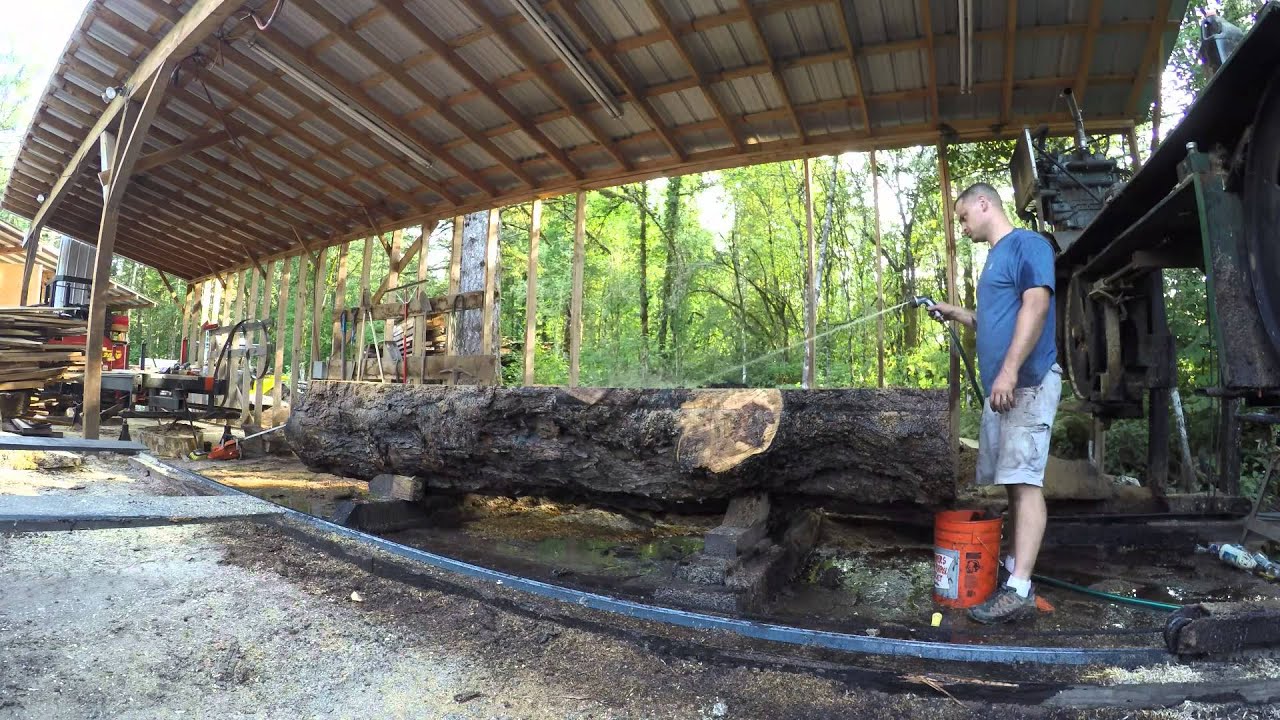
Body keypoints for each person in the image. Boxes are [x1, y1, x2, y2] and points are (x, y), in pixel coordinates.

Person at [929, 182, 1061, 624]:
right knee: (1011, 481)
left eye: (964, 217)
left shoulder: (1027, 243)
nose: (962, 227)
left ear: (984, 204)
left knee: (1025, 482)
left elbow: (1036, 304)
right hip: (1005, 391)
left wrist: (1007, 371)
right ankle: (1013, 569)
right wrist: (954, 312)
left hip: (1026, 383)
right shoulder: (995, 261)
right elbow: (992, 320)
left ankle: (1019, 588)